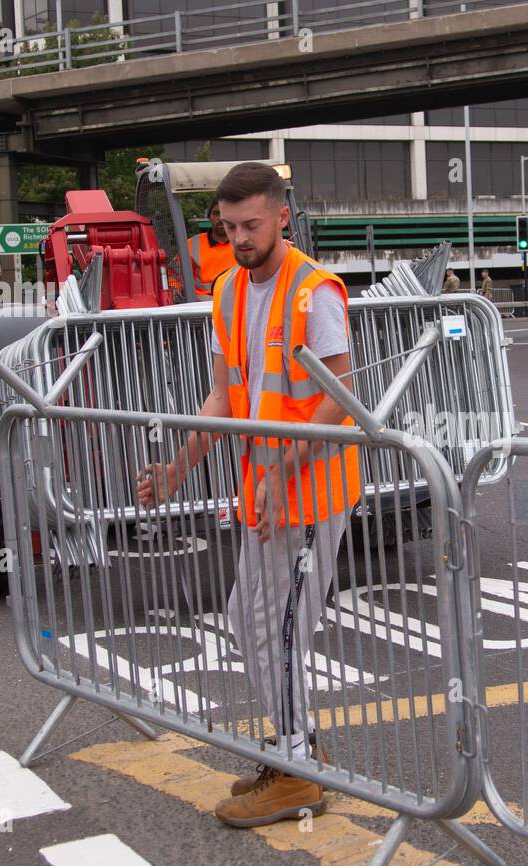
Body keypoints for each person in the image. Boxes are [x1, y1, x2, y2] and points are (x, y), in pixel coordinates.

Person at [136, 162, 358, 829]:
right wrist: (179, 467)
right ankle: (297, 749)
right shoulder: (227, 290)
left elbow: (340, 397)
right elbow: (224, 394)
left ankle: (296, 774)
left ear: (281, 217)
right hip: (264, 494)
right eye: (228, 226)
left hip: (314, 495)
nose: (239, 237)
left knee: (278, 628)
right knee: (247, 621)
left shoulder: (314, 291)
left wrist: (284, 465)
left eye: (250, 225)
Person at [186, 197, 238, 299]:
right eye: (216, 213)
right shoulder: (192, 244)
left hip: (236, 301)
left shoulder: (243, 242)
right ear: (209, 216)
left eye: (225, 213)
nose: (221, 218)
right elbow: (174, 276)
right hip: (201, 305)